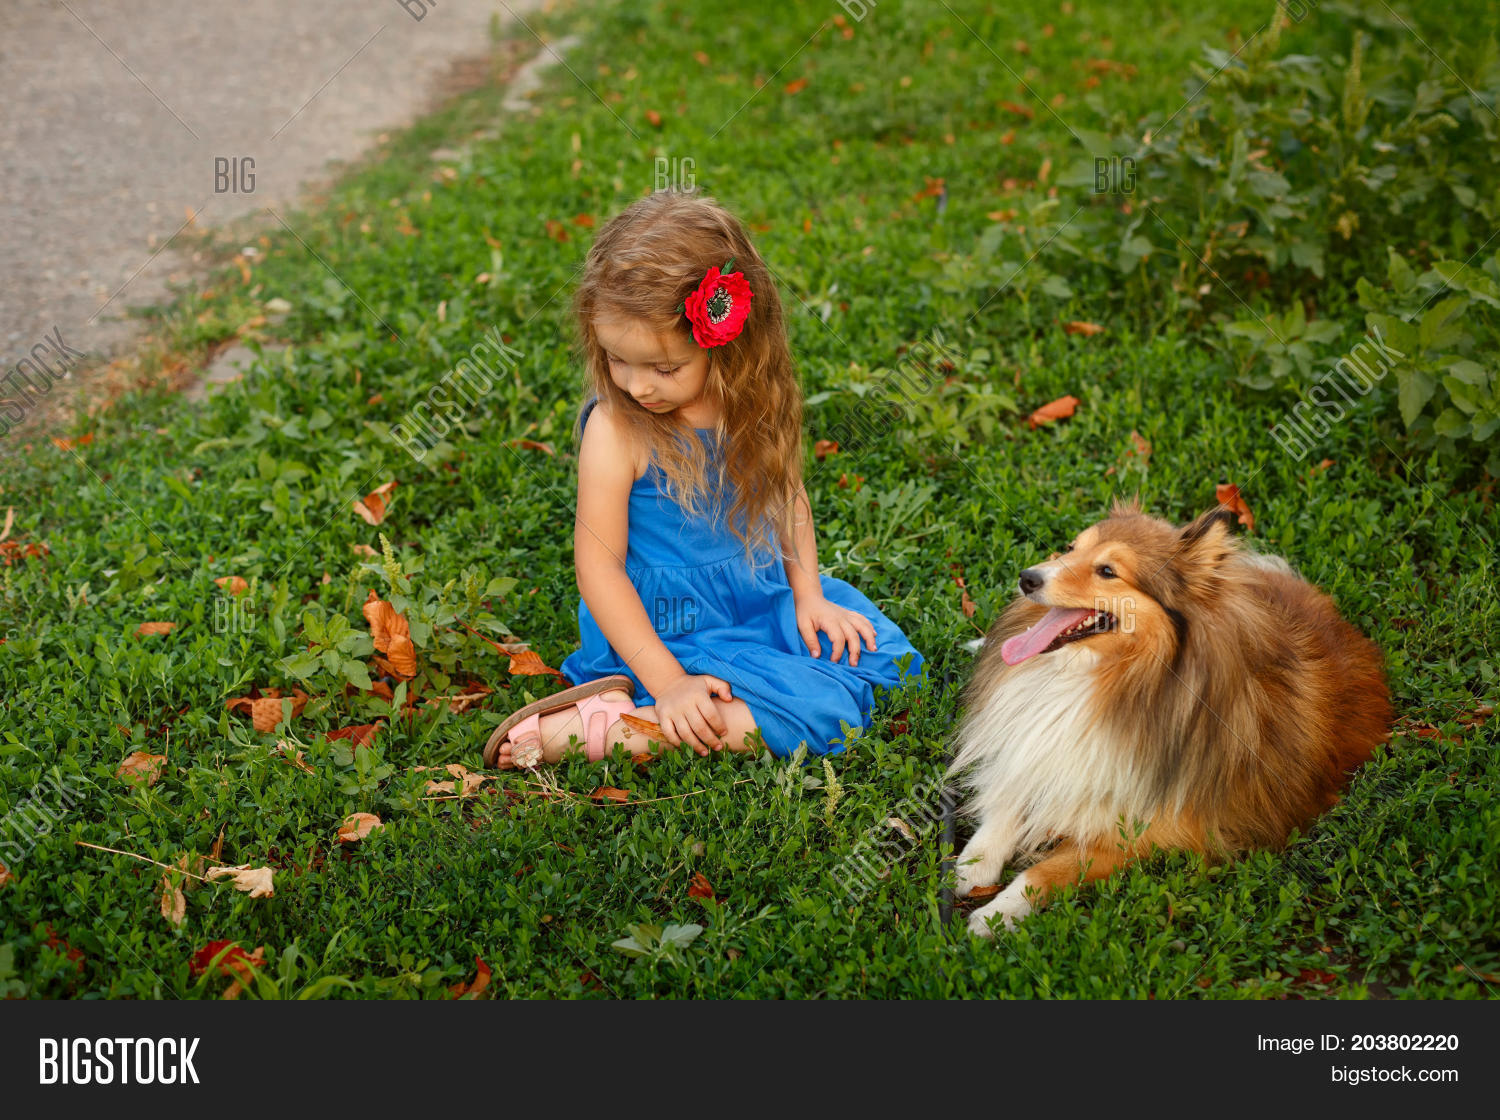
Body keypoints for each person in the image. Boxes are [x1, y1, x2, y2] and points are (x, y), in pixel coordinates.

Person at [482, 189, 924, 770]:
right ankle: (609, 728)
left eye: (664, 368)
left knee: (885, 657)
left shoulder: (749, 403)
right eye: (617, 359)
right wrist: (668, 682)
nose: (637, 386)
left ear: (732, 346)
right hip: (662, 628)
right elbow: (598, 567)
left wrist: (809, 596)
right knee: (825, 714)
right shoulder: (617, 430)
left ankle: (659, 709)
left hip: (756, 596)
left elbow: (786, 494)